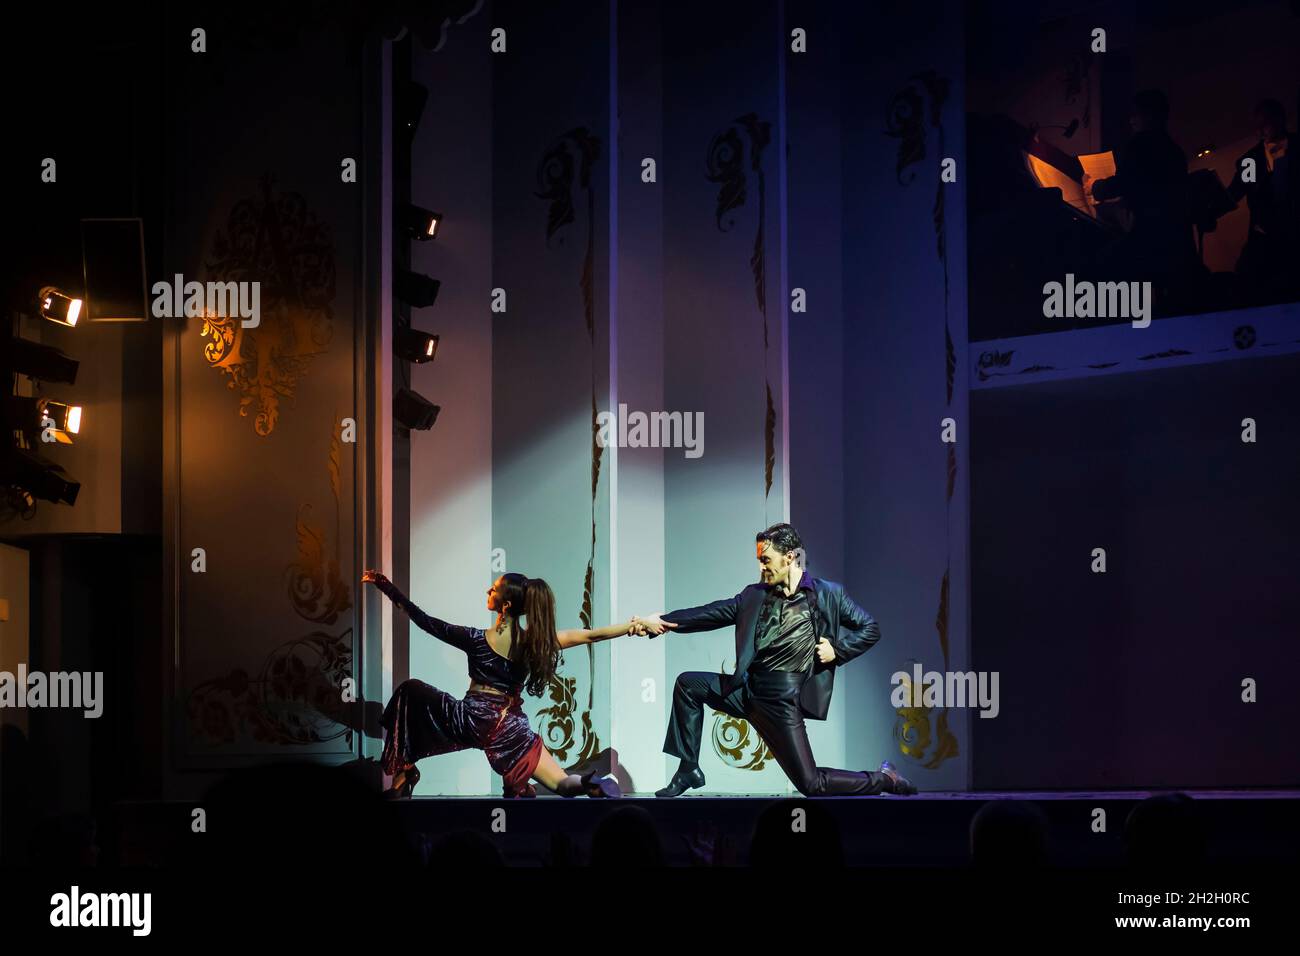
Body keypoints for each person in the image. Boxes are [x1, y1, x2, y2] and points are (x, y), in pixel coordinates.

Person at [635, 523, 918, 798]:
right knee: (688, 684)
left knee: (812, 784)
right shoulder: (753, 596)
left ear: (790, 557)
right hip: (745, 692)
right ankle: (688, 769)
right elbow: (710, 613)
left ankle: (884, 779)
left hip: (782, 701)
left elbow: (870, 629)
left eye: (766, 560)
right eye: (759, 560)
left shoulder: (827, 594)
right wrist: (662, 621)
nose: (761, 567)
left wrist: (838, 651)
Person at [363, 569, 660, 798]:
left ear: (504, 605)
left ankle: (404, 771)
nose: (487, 590)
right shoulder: (536, 641)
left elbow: (422, 619)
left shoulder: (475, 639)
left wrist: (385, 585)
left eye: (494, 589)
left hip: (469, 719)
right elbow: (592, 635)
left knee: (410, 692)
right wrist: (634, 625)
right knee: (563, 784)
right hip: (508, 727)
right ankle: (592, 783)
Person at [1226, 98, 1297, 304]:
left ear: (1280, 120)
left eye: (1264, 124)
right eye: (1257, 126)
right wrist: (1213, 207)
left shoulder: (1295, 149)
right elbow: (1238, 190)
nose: (1259, 130)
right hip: (1264, 235)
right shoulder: (1252, 160)